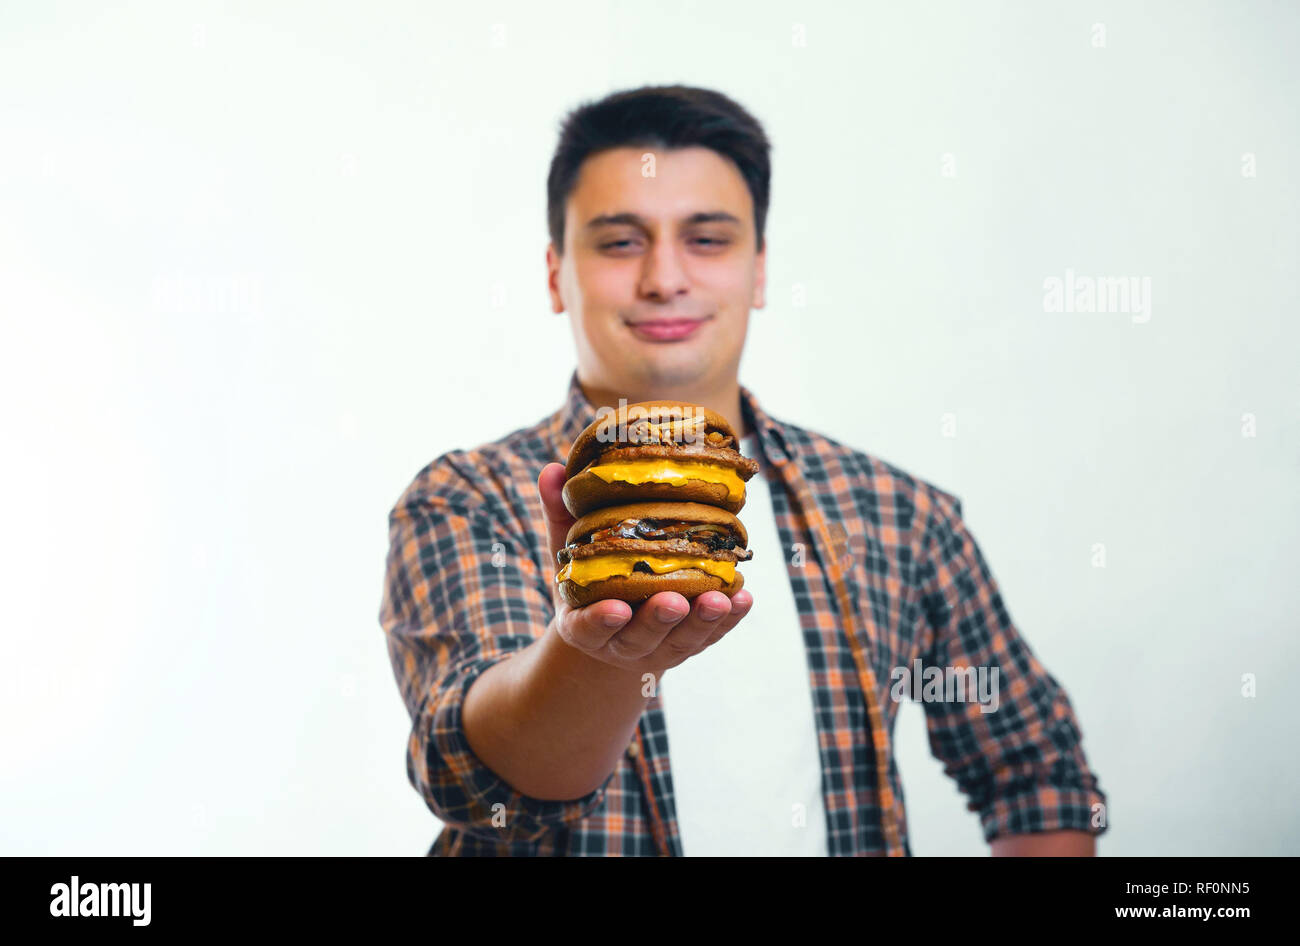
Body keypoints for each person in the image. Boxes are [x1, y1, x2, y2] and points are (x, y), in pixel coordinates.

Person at [378, 84, 1108, 856]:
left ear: (759, 271)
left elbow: (1038, 775)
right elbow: (475, 782)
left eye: (708, 239)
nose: (665, 277)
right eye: (620, 241)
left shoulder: (899, 514)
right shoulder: (465, 501)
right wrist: (588, 658)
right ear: (557, 274)